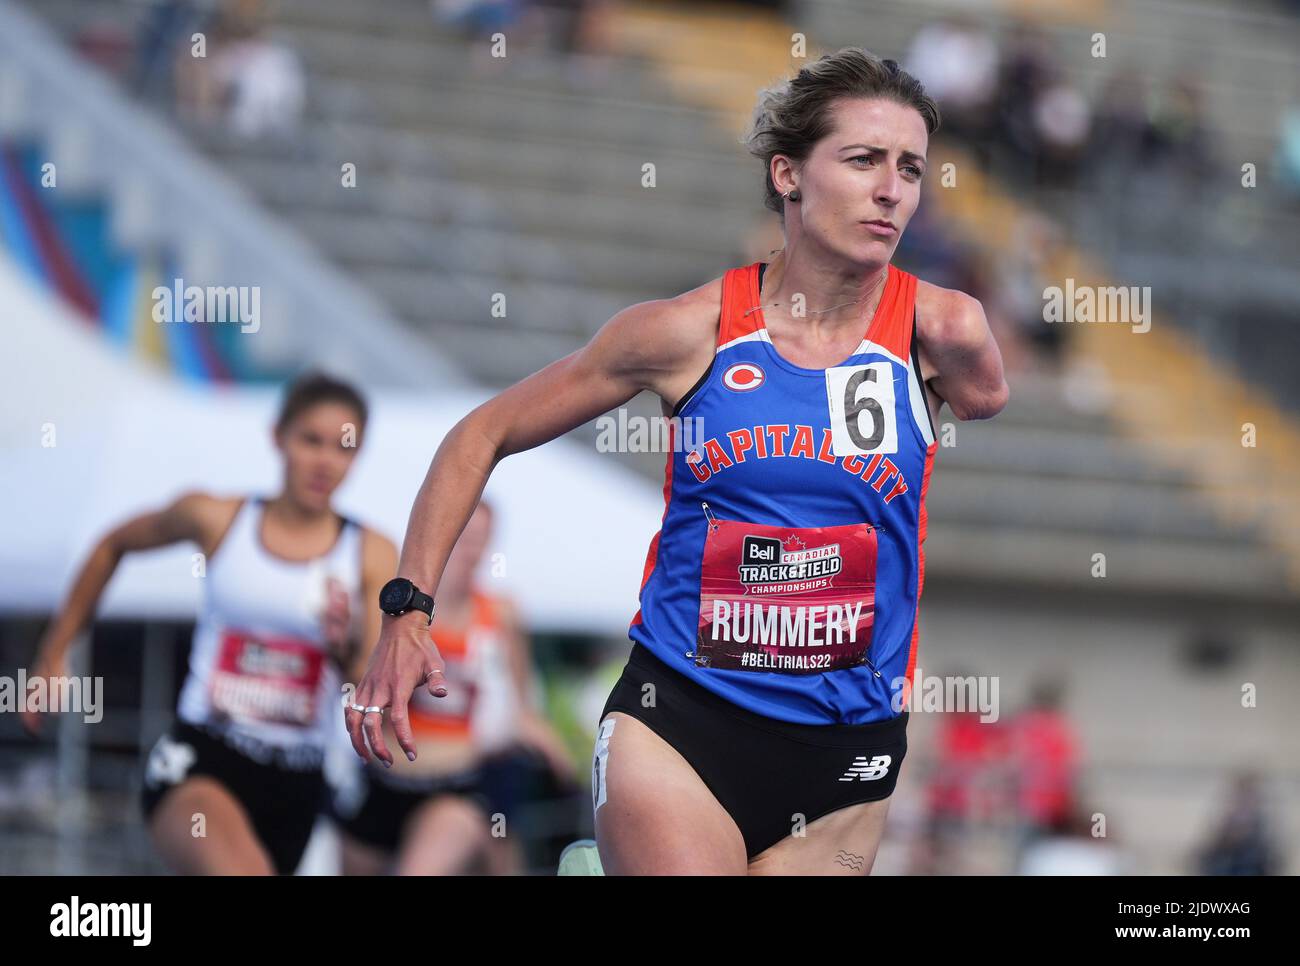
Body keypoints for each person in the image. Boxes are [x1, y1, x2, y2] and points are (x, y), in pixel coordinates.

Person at [347, 47, 1008, 875]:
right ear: (789, 174)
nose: (892, 189)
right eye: (863, 159)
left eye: (909, 168)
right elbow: (479, 435)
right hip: (683, 723)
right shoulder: (684, 333)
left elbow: (986, 396)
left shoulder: (938, 331)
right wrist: (407, 610)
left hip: (850, 751)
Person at [24, 372, 397, 875]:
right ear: (278, 436)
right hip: (204, 760)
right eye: (311, 440)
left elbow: (364, 683)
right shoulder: (217, 517)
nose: (325, 461)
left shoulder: (371, 552)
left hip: (297, 784)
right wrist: (55, 651)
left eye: (343, 448)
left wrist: (339, 643)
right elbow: (112, 545)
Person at [333, 499, 574, 875]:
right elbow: (360, 688)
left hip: (461, 785)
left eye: (481, 539)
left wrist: (555, 750)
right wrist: (340, 646)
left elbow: (521, 706)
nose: (471, 551)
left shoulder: (500, 614)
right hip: (386, 780)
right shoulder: (397, 616)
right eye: (462, 537)